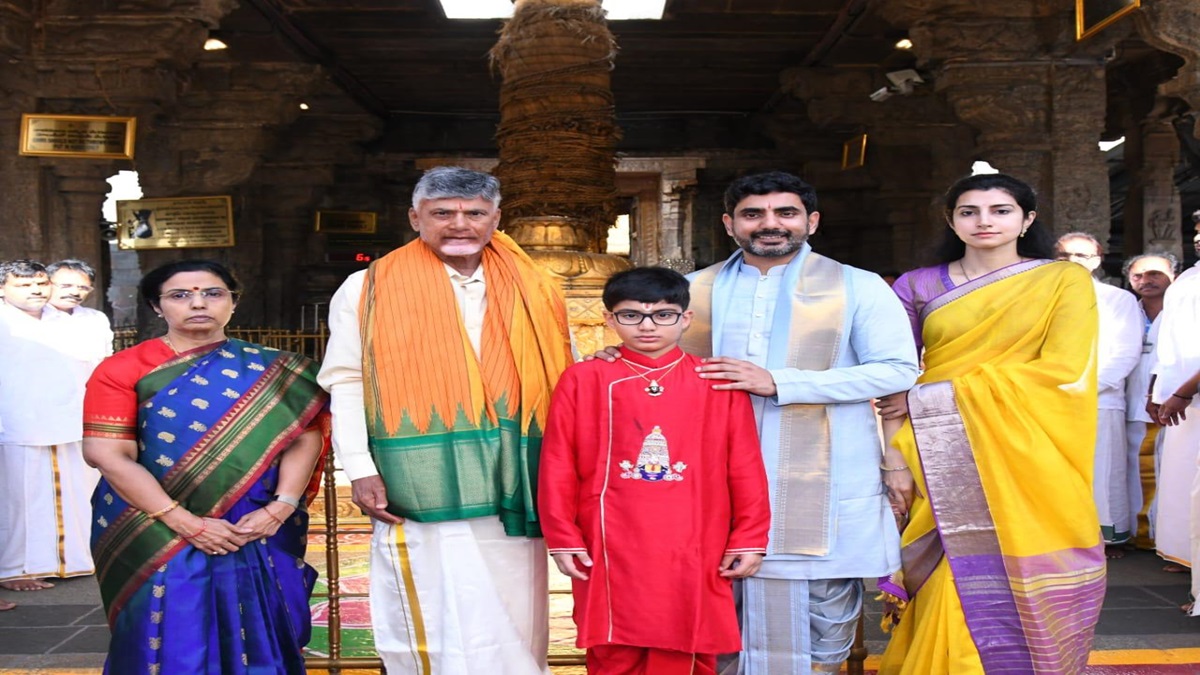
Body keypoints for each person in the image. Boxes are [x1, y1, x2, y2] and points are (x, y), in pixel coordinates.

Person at [633, 170, 918, 674]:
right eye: (753, 214)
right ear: (729, 224)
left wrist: (781, 382)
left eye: (785, 213)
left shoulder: (857, 286)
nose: (770, 224)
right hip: (714, 480)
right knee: (720, 607)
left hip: (826, 481)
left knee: (822, 607)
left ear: (811, 221)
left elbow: (898, 369)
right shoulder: (694, 291)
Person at [317, 166, 574, 674]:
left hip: (515, 472)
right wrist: (360, 466)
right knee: (435, 593)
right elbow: (346, 379)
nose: (460, 224)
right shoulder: (366, 286)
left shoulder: (536, 286)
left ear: (495, 218)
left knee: (516, 599)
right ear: (416, 218)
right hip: (417, 473)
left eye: (475, 213)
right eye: (442, 213)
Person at [878, 173, 1104, 674]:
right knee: (951, 575)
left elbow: (1063, 368)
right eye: (969, 211)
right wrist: (894, 459)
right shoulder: (916, 285)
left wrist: (936, 395)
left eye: (1001, 210)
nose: (984, 221)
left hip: (1030, 451)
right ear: (950, 220)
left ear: (1027, 219)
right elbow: (893, 381)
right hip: (935, 453)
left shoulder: (1062, 281)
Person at [82, 259, 329, 674]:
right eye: (180, 295)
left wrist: (281, 506)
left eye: (213, 293)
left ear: (233, 302)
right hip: (153, 521)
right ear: (157, 307)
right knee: (168, 628)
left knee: (262, 621)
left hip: (253, 520)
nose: (198, 303)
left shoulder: (275, 369)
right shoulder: (122, 369)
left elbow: (304, 435)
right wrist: (184, 522)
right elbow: (106, 454)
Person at [539, 266, 771, 675]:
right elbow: (558, 463)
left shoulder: (714, 381)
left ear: (685, 318)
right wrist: (562, 536)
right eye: (631, 315)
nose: (647, 326)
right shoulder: (584, 378)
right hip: (607, 541)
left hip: (697, 540)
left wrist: (750, 537)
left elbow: (746, 466)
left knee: (689, 646)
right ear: (609, 319)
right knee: (614, 650)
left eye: (663, 314)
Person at [0, 259, 101, 594]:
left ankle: (73, 561)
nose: (36, 291)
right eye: (24, 285)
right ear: (3, 289)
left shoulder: (70, 320)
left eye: (41, 284)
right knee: (19, 501)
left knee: (77, 495)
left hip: (72, 419)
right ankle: (14, 567)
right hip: (15, 424)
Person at [1055, 233, 1141, 555]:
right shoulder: (1038, 297)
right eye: (1064, 255)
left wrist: (1086, 386)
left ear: (1097, 259)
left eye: (1081, 255)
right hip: (1048, 398)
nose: (1072, 261)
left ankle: (1106, 538)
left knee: (1103, 470)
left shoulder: (1118, 299)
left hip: (1100, 398)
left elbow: (1125, 353)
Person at [1149, 247, 1200, 585]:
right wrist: (1156, 389)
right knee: (1181, 478)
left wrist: (1185, 391)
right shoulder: (1188, 278)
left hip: (1189, 392)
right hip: (1180, 395)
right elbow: (1167, 342)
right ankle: (1188, 555)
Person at [1122, 253, 1177, 550]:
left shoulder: (1183, 311)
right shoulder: (1125, 309)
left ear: (1175, 276)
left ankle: (1168, 540)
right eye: (1138, 275)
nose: (1146, 280)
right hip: (1129, 404)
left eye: (1155, 273)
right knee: (1132, 471)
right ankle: (1138, 535)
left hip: (1176, 404)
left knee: (1172, 473)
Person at [44, 259, 114, 364]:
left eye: (83, 288)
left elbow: (107, 358)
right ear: (46, 284)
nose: (75, 292)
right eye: (66, 286)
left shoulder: (96, 318)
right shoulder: (31, 318)